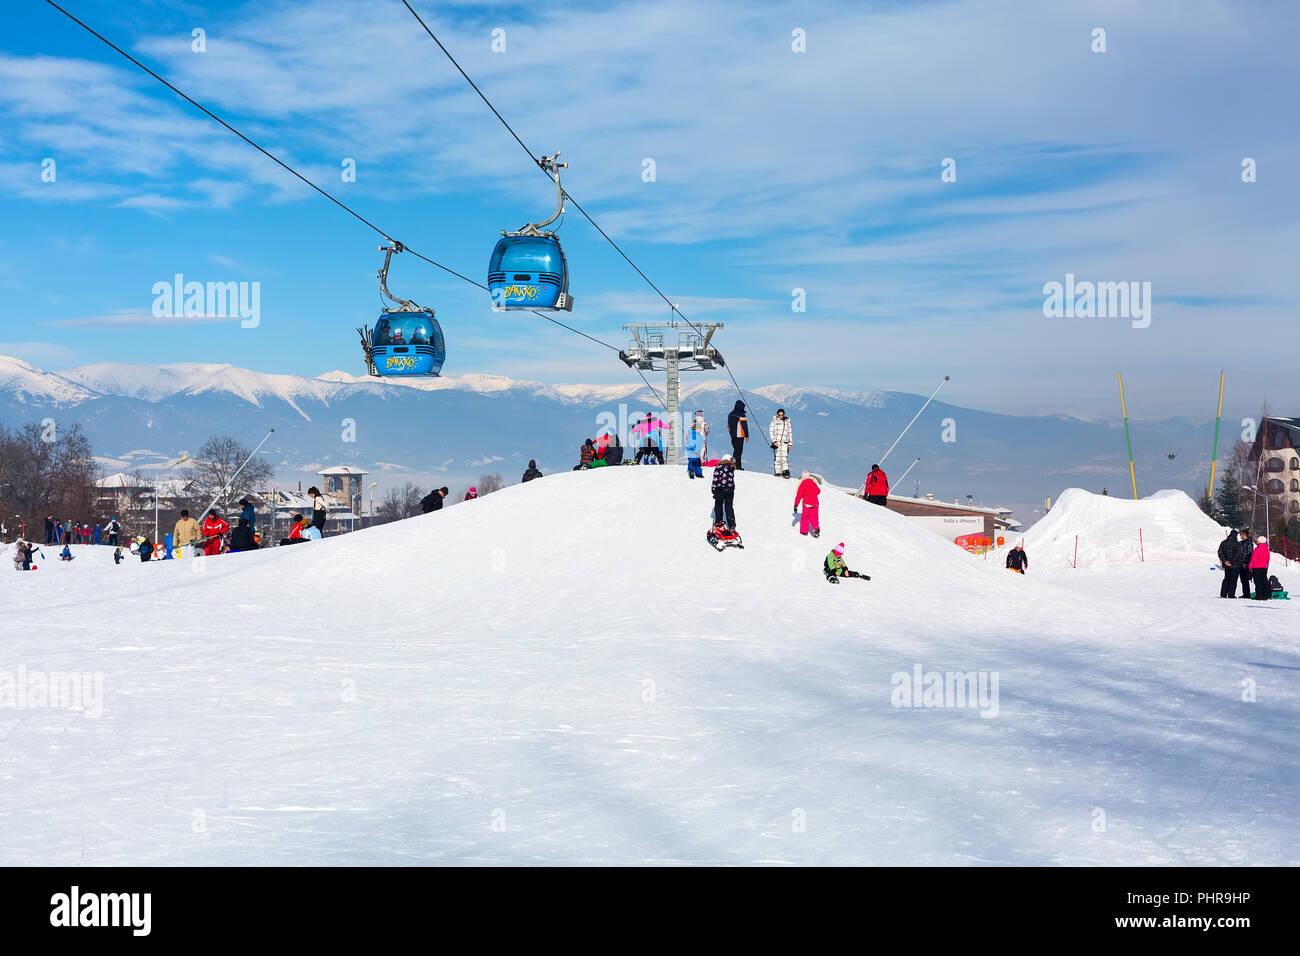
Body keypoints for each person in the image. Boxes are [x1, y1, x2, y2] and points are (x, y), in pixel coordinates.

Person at [711, 456, 737, 531]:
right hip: (730, 489)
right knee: (729, 507)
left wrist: (713, 490)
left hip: (720, 489)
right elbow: (730, 479)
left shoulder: (718, 467)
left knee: (718, 504)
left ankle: (719, 522)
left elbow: (715, 479)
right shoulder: (731, 468)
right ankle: (732, 525)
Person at [793, 470, 821, 536]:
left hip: (806, 504)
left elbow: (799, 496)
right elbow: (818, 491)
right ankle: (816, 528)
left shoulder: (802, 485)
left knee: (805, 517)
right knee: (814, 517)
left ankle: (804, 531)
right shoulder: (813, 483)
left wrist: (796, 505)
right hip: (815, 504)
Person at [768, 408, 793, 478]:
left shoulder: (787, 422)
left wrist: (790, 443)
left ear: (784, 414)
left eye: (782, 415)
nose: (780, 416)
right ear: (777, 415)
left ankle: (786, 472)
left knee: (785, 458)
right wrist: (774, 441)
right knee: (777, 458)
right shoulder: (774, 422)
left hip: (785, 443)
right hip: (777, 443)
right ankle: (778, 472)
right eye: (779, 415)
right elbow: (771, 432)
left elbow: (789, 433)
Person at [1217, 529, 1240, 598]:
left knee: (1226, 578)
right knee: (1233, 580)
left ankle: (1223, 594)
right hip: (1234, 565)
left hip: (1226, 565)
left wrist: (1225, 561)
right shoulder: (1237, 544)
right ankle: (1231, 594)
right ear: (1236, 536)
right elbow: (1238, 554)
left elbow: (1220, 553)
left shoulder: (1223, 543)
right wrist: (1232, 562)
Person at [727, 401, 749, 469]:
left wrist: (731, 434)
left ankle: (738, 465)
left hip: (733, 436)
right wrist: (747, 435)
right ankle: (734, 465)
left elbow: (728, 426)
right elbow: (744, 426)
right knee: (738, 452)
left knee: (736, 451)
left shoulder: (730, 414)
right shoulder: (741, 415)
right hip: (740, 435)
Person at [1249, 535, 1272, 601]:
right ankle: (1266, 595)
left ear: (1260, 541)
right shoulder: (1267, 549)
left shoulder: (1257, 549)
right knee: (1264, 581)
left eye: (1258, 540)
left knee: (1258, 582)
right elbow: (1268, 559)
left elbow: (1253, 559)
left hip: (1256, 567)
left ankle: (1259, 596)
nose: (1257, 541)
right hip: (1264, 567)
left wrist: (1250, 567)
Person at [1234, 529, 1253, 598]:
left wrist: (1246, 562)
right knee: (1243, 579)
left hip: (1245, 564)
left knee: (1245, 579)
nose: (1240, 536)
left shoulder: (1248, 543)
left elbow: (1249, 553)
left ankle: (1247, 594)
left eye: (1241, 534)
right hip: (1241, 563)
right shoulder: (1243, 542)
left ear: (1244, 534)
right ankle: (1245, 593)